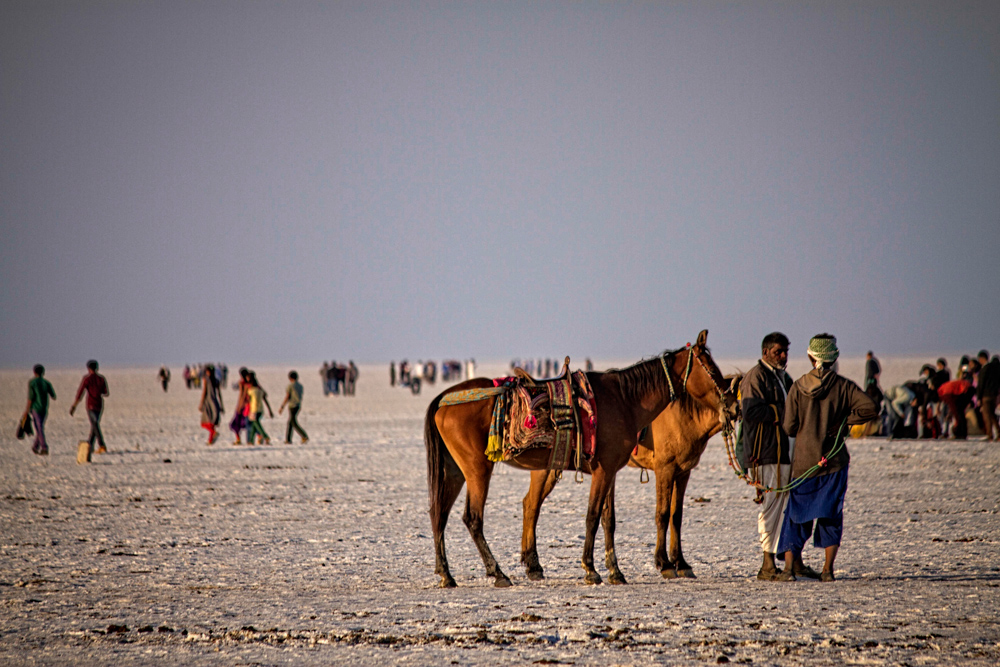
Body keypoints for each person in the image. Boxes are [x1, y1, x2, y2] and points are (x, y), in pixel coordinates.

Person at [779, 334, 879, 582]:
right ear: (834, 359)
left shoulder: (798, 386)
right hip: (834, 463)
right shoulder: (844, 386)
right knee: (831, 515)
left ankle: (789, 570)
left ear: (810, 357)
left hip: (804, 464)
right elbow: (870, 407)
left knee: (796, 516)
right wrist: (845, 421)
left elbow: (789, 427)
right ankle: (827, 571)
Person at [738, 332, 799, 581]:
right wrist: (783, 411)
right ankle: (767, 564)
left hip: (784, 451)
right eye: (778, 352)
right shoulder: (756, 377)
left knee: (785, 506)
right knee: (770, 506)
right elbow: (750, 411)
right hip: (765, 452)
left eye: (785, 351)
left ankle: (790, 562)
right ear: (765, 352)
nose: (783, 356)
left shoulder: (782, 377)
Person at [70, 360, 110, 455]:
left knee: (95, 424)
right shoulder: (101, 379)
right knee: (94, 425)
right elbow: (106, 393)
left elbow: (80, 393)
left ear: (88, 368)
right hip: (99, 405)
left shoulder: (87, 379)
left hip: (90, 405)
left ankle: (102, 445)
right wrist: (98, 391)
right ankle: (90, 446)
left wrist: (74, 406)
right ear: (97, 368)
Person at [22, 364, 56, 456]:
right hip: (44, 408)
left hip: (35, 408)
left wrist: (26, 410)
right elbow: (54, 396)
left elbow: (30, 397)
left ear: (34, 372)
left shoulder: (32, 382)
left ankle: (44, 447)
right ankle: (35, 446)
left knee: (39, 428)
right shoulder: (47, 383)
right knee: (40, 428)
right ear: (43, 372)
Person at [278, 371, 309, 444]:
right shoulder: (300, 386)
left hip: (292, 405)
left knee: (293, 422)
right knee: (290, 422)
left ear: (290, 378)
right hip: (298, 405)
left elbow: (287, 396)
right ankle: (288, 439)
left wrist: (282, 406)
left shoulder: (290, 386)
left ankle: (304, 436)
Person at [976, 350, 999, 442]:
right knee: (992, 415)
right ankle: (998, 433)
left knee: (987, 415)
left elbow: (981, 384)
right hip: (993, 395)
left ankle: (989, 434)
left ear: (982, 359)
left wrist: (979, 397)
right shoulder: (995, 369)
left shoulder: (984, 369)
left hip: (985, 395)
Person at [198, 364, 224, 445]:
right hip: (215, 402)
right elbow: (219, 394)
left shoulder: (206, 380)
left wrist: (201, 403)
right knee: (211, 423)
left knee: (204, 423)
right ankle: (210, 440)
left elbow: (204, 392)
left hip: (208, 402)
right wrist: (221, 405)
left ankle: (213, 432)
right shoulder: (216, 380)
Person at [245, 372, 273, 445]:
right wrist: (270, 410)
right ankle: (251, 441)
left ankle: (265, 436)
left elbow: (248, 400)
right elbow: (265, 399)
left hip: (254, 410)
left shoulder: (250, 391)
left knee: (255, 423)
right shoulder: (260, 390)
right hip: (260, 409)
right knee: (254, 425)